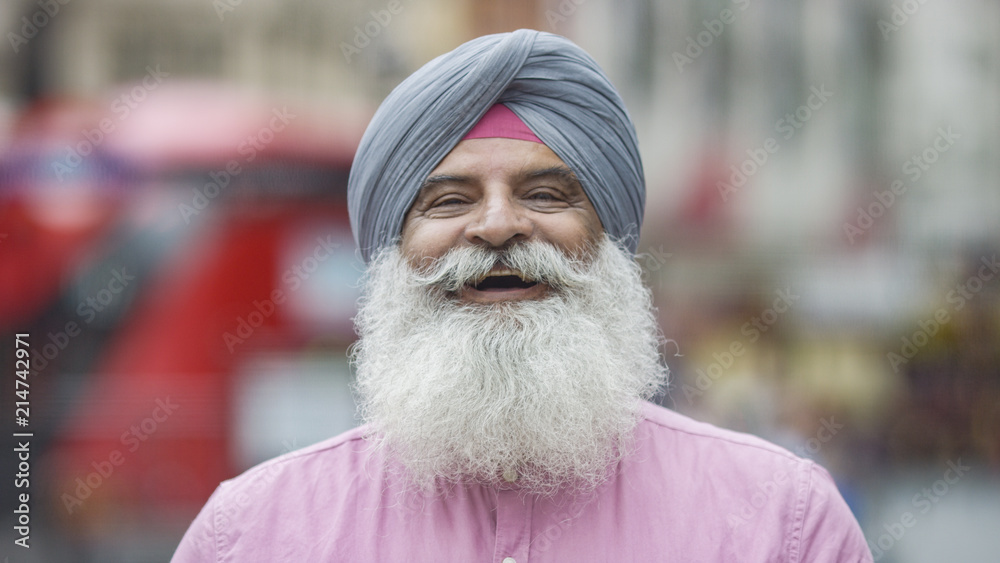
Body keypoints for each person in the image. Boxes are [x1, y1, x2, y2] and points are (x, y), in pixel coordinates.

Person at [172, 29, 872, 562]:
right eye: (449, 199)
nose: (500, 224)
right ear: (391, 250)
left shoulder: (782, 523)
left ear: (609, 239)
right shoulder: (253, 534)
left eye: (544, 193)